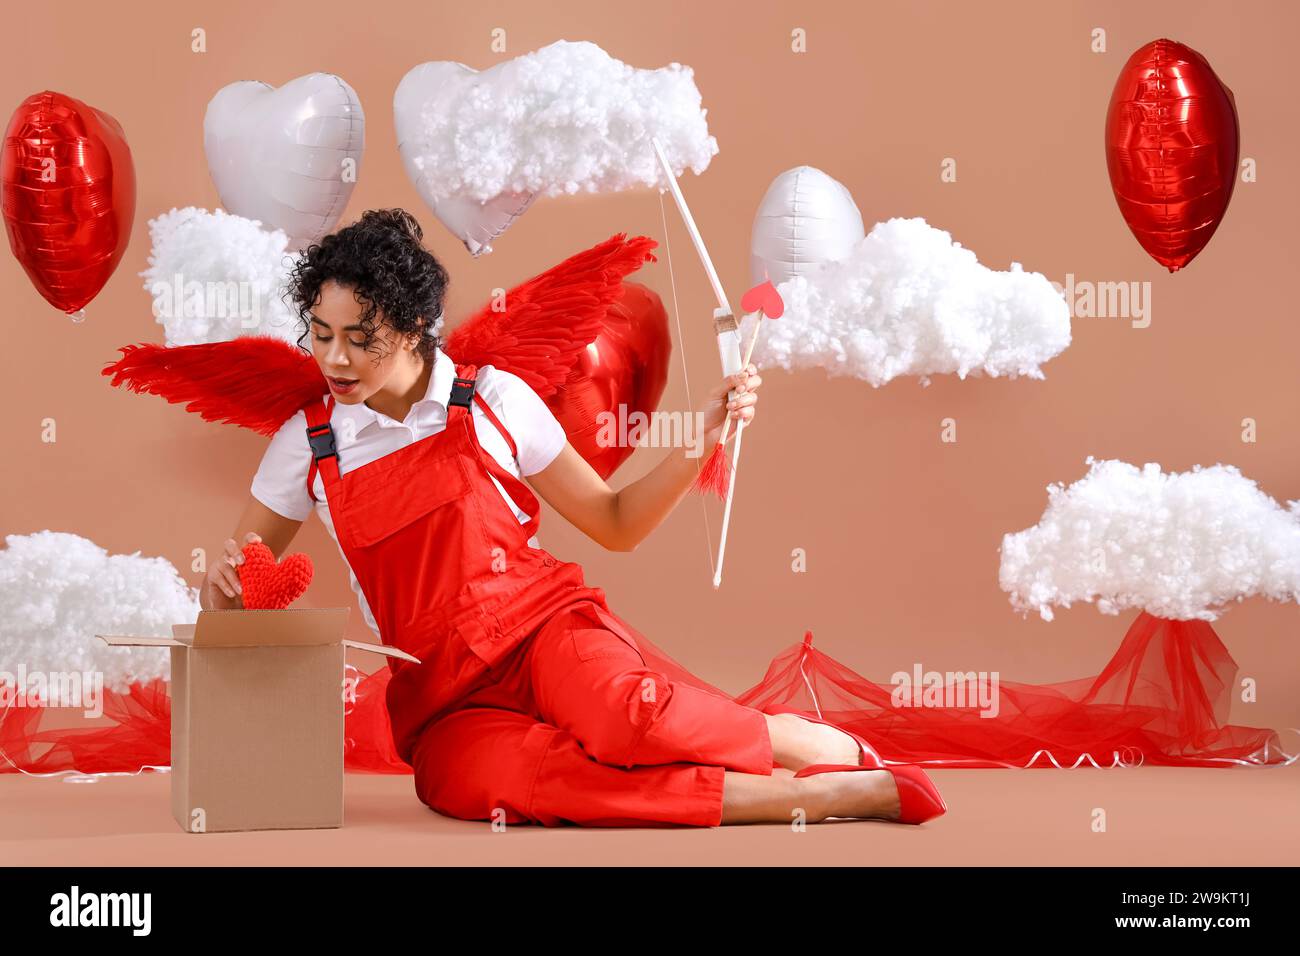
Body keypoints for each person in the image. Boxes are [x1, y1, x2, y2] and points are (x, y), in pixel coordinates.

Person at [200, 208, 945, 827]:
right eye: (320, 335)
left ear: (415, 323)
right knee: (515, 788)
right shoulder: (312, 444)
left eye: (359, 339)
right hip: (442, 701)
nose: (334, 359)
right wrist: (226, 587)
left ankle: (795, 741)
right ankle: (808, 798)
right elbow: (237, 598)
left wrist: (703, 435)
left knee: (630, 724)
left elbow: (615, 521)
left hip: (542, 634)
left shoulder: (490, 399)